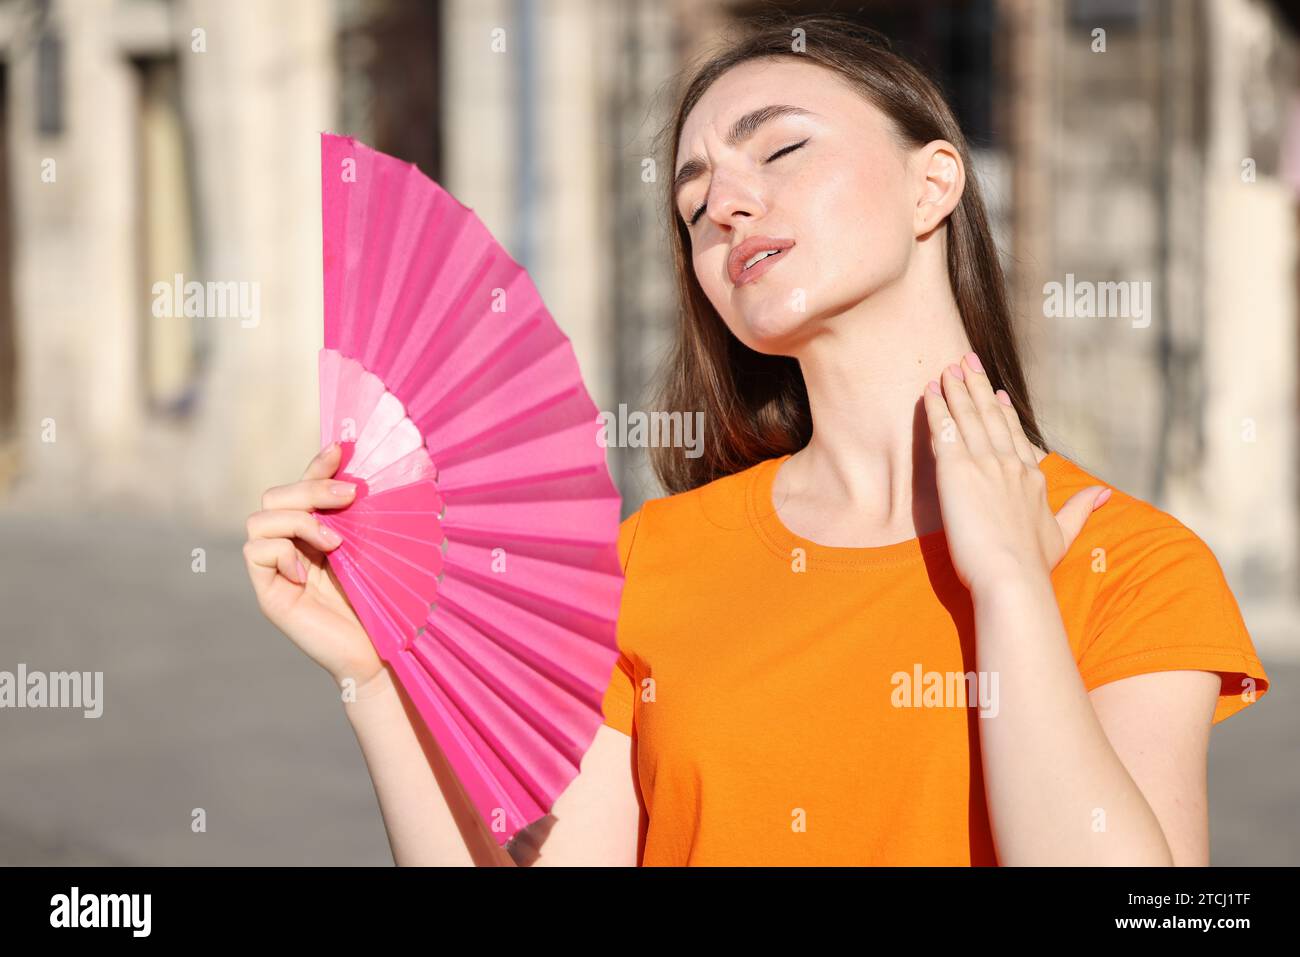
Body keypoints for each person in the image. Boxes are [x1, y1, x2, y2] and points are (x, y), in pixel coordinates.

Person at [243, 15, 1270, 866]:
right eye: (694, 203)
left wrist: (1009, 588)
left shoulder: (1127, 561)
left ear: (934, 184)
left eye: (780, 149)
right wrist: (377, 679)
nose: (726, 204)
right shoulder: (650, 560)